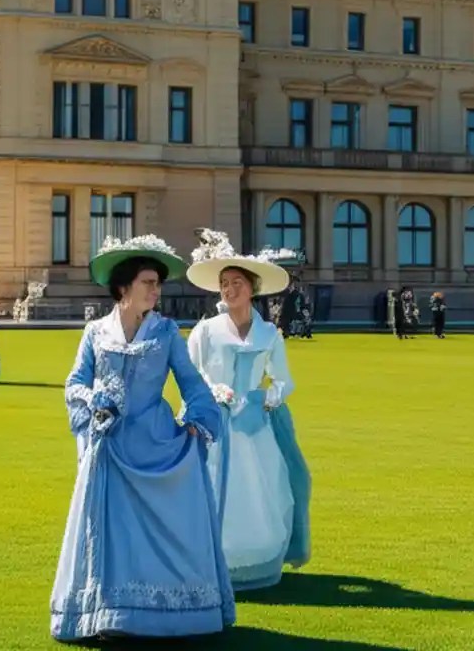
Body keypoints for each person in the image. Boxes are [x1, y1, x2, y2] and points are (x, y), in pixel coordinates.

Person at [51, 235, 235, 641]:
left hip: (156, 444)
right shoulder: (95, 332)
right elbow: (75, 382)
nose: (156, 290)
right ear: (124, 287)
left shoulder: (166, 332)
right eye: (148, 282)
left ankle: (167, 611)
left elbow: (192, 382)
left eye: (158, 283)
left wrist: (197, 421)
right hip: (111, 446)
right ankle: (108, 614)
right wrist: (92, 398)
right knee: (112, 532)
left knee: (162, 533)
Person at [186, 229, 312, 590]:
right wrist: (214, 390)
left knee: (263, 490)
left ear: (252, 287)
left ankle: (255, 557)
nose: (229, 289)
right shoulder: (206, 331)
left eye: (236, 282)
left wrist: (272, 397)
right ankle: (211, 557)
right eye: (224, 283)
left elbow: (284, 380)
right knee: (215, 488)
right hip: (216, 421)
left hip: (256, 423)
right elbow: (191, 375)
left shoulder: (269, 333)